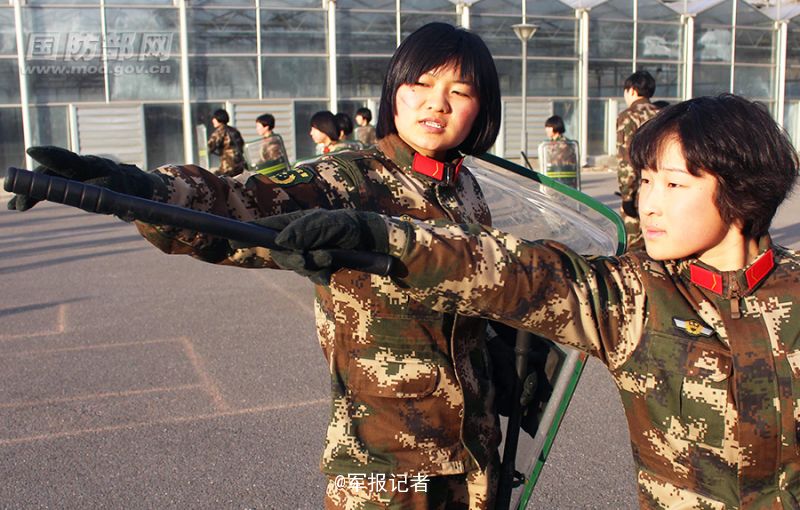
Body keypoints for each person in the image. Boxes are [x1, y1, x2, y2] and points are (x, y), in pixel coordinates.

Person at [7, 22, 503, 509]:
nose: (437, 102)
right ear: (395, 90)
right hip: (387, 465)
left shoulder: (465, 189)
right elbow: (241, 200)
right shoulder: (350, 178)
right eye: (421, 84)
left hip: (474, 452)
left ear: (481, 108)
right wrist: (134, 188)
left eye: (459, 91)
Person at [260, 94, 800, 509]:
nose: (645, 202)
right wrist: (377, 237)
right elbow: (502, 268)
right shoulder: (633, 296)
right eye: (645, 181)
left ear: (743, 188)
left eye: (674, 185)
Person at [617, 70, 660, 251]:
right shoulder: (664, 114)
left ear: (632, 90)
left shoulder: (627, 116)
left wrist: (627, 195)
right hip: (662, 189)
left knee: (633, 248)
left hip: (639, 192)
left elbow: (626, 160)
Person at [540, 115, 579, 188]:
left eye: (549, 127)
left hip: (563, 181)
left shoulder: (564, 143)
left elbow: (554, 160)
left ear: (556, 126)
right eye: (546, 127)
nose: (546, 130)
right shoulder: (551, 143)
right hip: (554, 181)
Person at [207, 108, 246, 177]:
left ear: (219, 119)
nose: (213, 121)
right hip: (240, 165)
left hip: (228, 166)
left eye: (214, 118)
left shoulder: (220, 131)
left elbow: (210, 145)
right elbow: (241, 145)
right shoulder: (234, 130)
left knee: (211, 179)